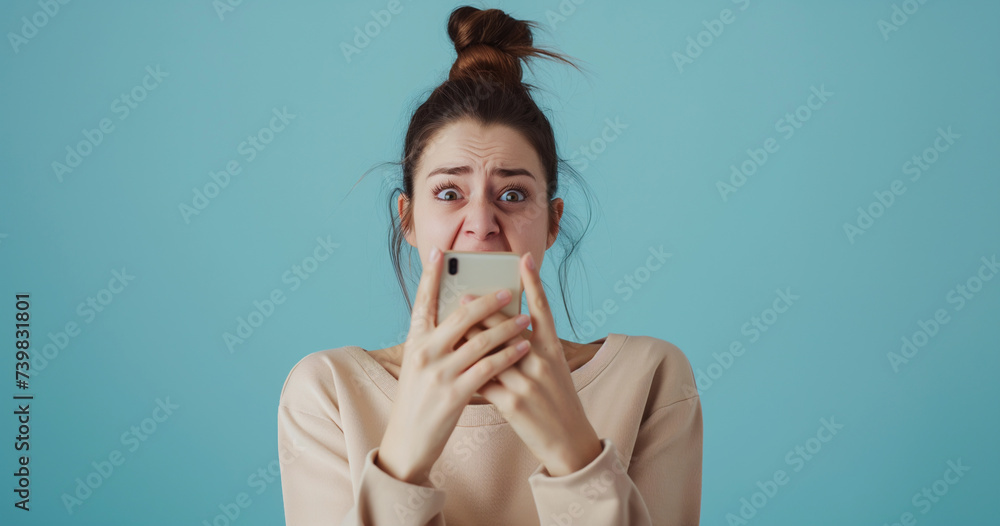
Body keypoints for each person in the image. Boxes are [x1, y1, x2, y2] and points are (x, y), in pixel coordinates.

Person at [277, 6, 702, 525]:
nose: (481, 223)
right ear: (407, 220)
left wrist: (575, 453)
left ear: (551, 223)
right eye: (450, 192)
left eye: (513, 193)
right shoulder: (327, 392)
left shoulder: (651, 376)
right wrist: (403, 458)